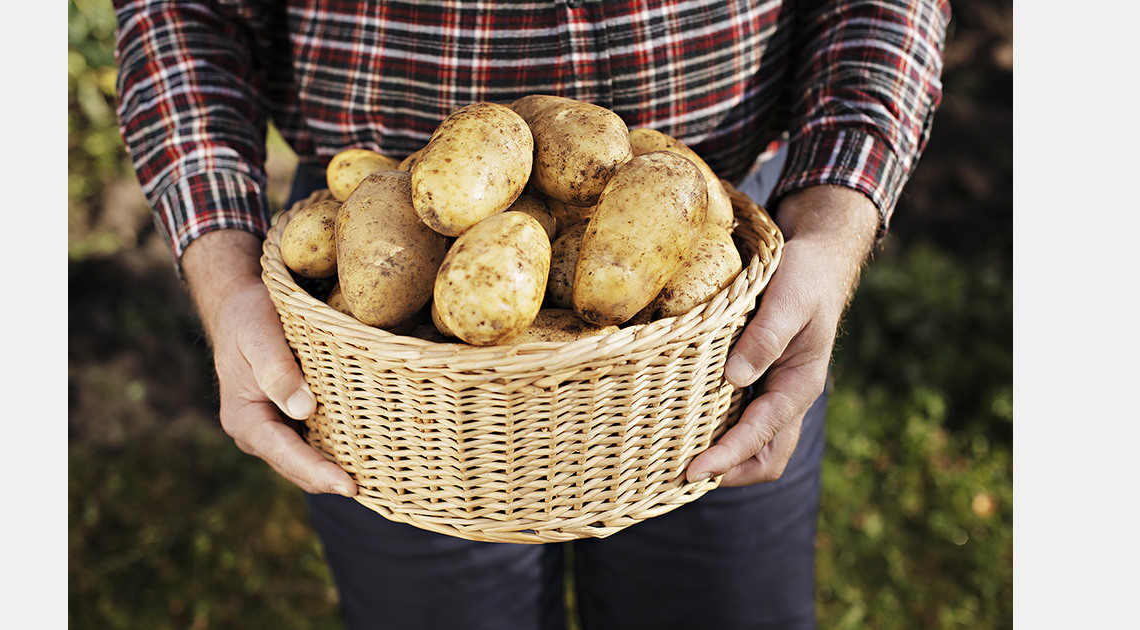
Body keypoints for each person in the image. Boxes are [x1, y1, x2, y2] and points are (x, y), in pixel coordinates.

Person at [113, 1, 950, 628]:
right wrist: (226, 280)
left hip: (721, 266)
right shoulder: (398, 252)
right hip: (372, 298)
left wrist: (831, 235)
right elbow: (180, 15)